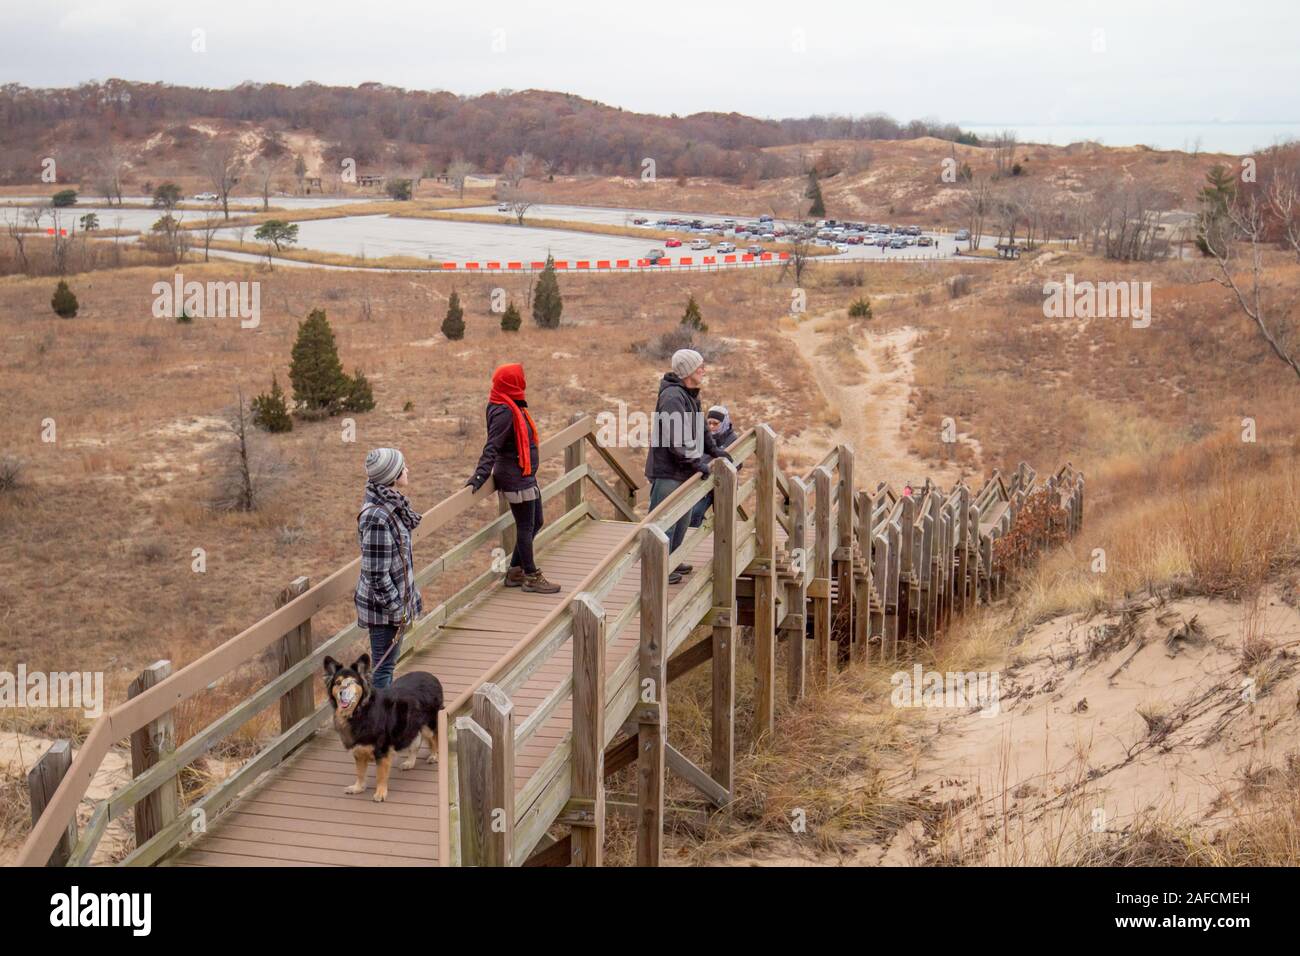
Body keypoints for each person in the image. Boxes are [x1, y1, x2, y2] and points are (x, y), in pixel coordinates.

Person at [466, 363, 560, 594]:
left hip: (524, 474)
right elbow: (493, 445)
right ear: (511, 382)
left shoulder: (508, 404)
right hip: (515, 477)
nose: (524, 381)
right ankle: (530, 576)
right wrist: (480, 475)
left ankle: (515, 571)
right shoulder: (504, 411)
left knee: (536, 521)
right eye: (521, 377)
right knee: (526, 526)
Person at [645, 349, 730, 584]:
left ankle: (673, 558)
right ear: (687, 371)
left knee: (683, 518)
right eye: (700, 366)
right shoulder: (673, 397)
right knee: (665, 522)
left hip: (682, 469)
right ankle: (658, 569)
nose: (704, 369)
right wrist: (698, 462)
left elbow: (701, 428)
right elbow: (677, 439)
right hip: (668, 471)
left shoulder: (689, 394)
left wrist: (714, 451)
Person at [355, 447, 423, 689]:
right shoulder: (377, 517)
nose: (407, 469)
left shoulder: (392, 505)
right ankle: (380, 725)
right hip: (384, 610)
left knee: (387, 666)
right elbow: (376, 575)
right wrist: (397, 609)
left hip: (393, 607)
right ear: (391, 475)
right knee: (383, 669)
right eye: (402, 466)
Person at [688, 405, 738, 529]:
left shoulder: (732, 439)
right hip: (703, 482)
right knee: (694, 514)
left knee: (723, 520)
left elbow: (738, 462)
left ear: (724, 423)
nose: (711, 427)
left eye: (715, 423)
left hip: (723, 484)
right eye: (709, 423)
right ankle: (696, 542)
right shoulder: (702, 437)